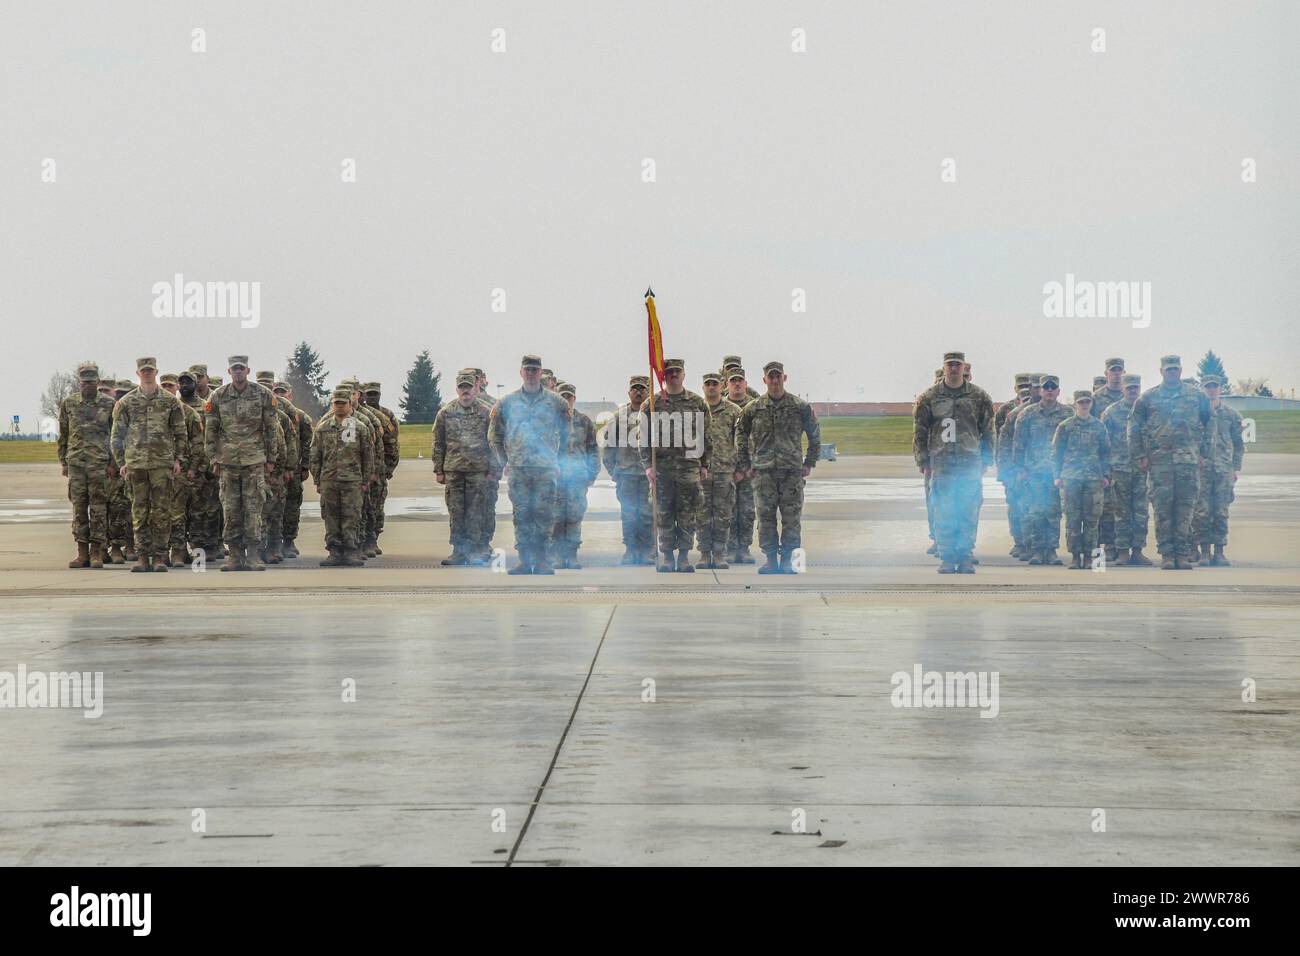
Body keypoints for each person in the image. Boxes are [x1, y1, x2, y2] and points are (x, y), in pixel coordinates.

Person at [912, 352, 994, 574]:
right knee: (944, 510)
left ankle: (965, 556)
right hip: (942, 464)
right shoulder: (929, 397)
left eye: (958, 365)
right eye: (950, 365)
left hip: (969, 464)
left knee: (968, 511)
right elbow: (920, 432)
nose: (954, 369)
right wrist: (922, 460)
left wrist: (987, 459)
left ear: (963, 367)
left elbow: (988, 430)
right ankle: (948, 558)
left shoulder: (979, 396)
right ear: (944, 368)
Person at [736, 360, 821, 574]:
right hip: (763, 472)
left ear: (784, 378)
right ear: (764, 380)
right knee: (765, 518)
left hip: (791, 472)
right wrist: (746, 464)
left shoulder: (799, 406)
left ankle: (790, 562)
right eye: (770, 377)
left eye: (778, 376)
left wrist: (809, 462)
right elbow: (741, 435)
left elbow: (815, 435)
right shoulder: (753, 408)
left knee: (792, 519)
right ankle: (771, 560)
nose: (774, 380)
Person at [489, 354, 570, 574]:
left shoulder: (557, 402)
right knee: (522, 515)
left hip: (545, 469)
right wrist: (503, 461)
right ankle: (525, 560)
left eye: (535, 370)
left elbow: (566, 434)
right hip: (518, 469)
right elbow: (494, 434)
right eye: (528, 370)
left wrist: (558, 461)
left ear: (541, 373)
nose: (531, 374)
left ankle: (543, 561)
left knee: (544, 515)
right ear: (521, 373)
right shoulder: (507, 402)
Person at [1130, 355, 1211, 570]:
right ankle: (1167, 554)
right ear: (1161, 371)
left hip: (1188, 463)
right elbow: (1134, 427)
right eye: (1168, 369)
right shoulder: (1148, 398)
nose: (1172, 372)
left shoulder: (1196, 396)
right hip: (1160, 464)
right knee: (1163, 510)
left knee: (1185, 510)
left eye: (1175, 369)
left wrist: (1204, 453)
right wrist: (1140, 456)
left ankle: (1182, 555)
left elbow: (1209, 424)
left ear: (1181, 370)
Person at [203, 355, 284, 571]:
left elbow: (271, 429)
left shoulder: (262, 395)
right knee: (231, 510)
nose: (238, 372)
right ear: (229, 372)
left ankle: (254, 555)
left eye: (241, 369)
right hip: (228, 462)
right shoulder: (218, 396)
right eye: (234, 369)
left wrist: (271, 459)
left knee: (254, 508)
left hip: (254, 461)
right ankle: (234, 556)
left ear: (248, 371)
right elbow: (211, 430)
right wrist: (213, 458)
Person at [110, 357, 188, 572]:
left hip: (162, 464)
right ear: (138, 373)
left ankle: (160, 557)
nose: (147, 374)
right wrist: (121, 462)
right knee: (139, 511)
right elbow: (116, 436)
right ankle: (143, 556)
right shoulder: (127, 402)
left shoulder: (170, 402)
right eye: (143, 371)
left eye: (150, 370)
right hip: (136, 464)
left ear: (156, 372)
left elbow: (181, 433)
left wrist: (179, 459)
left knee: (162, 512)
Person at [640, 359, 711, 572]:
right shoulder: (651, 404)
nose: (673, 375)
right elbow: (642, 439)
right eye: (669, 372)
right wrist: (647, 466)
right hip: (661, 469)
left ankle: (684, 557)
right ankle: (668, 557)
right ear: (663, 376)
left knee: (687, 515)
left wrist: (705, 464)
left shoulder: (697, 403)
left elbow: (706, 436)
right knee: (664, 514)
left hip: (689, 468)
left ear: (683, 375)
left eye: (676, 372)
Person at [432, 369, 496, 566]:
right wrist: (439, 470)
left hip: (478, 471)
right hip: (454, 471)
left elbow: (494, 442)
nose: (465, 391)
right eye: (462, 387)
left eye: (469, 387)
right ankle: (459, 552)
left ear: (475, 388)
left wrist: (494, 469)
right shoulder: (446, 412)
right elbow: (438, 442)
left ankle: (477, 550)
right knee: (456, 512)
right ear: (457, 389)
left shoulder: (486, 413)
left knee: (476, 512)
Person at [58, 361, 117, 568]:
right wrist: (63, 461)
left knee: (99, 509)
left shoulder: (109, 404)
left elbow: (116, 437)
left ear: (98, 381)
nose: (88, 386)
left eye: (91, 382)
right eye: (84, 382)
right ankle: (82, 552)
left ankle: (97, 553)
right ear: (79, 382)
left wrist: (113, 462)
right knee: (79, 509)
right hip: (76, 464)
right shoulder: (69, 404)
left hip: (99, 465)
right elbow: (64, 434)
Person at [310, 388, 375, 566]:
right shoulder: (323, 428)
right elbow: (315, 455)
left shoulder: (359, 427)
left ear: (349, 404)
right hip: (329, 480)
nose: (339, 407)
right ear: (332, 405)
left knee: (351, 516)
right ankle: (334, 552)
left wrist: (365, 480)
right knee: (331, 517)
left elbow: (368, 456)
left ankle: (351, 551)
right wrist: (317, 479)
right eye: (336, 404)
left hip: (352, 481)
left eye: (343, 403)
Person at [1013, 374, 1071, 565]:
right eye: (1045, 387)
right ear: (1039, 391)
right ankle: (1037, 551)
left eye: (1053, 387)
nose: (1049, 391)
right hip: (1034, 472)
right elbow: (1019, 444)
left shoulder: (1067, 414)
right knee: (1036, 512)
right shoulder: (1027, 414)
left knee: (1053, 512)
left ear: (1058, 392)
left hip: (1057, 474)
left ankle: (1051, 550)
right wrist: (1020, 469)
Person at [1052, 391, 1111, 569]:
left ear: (1091, 404)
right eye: (1081, 402)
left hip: (1094, 479)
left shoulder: (1099, 426)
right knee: (1073, 520)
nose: (1084, 405)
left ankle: (1092, 559)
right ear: (1075, 404)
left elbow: (1106, 452)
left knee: (1093, 520)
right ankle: (1076, 556)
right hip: (1071, 478)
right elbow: (1056, 453)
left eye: (1087, 402)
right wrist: (1057, 475)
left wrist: (1106, 474)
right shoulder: (1065, 426)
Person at [1099, 373, 1153, 565]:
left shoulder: (1148, 410)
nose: (1132, 391)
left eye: (1135, 388)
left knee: (1140, 512)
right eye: (1129, 388)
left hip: (1141, 470)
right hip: (1119, 470)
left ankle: (1137, 551)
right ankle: (1122, 551)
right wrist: (1106, 470)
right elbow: (1103, 445)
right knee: (1121, 512)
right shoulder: (1111, 412)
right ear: (1122, 389)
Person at [1193, 375, 1244, 565]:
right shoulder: (1197, 414)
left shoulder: (1231, 415)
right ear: (1202, 390)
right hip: (1202, 470)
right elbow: (1189, 439)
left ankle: (1219, 551)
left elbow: (1238, 445)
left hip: (1223, 470)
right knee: (1201, 512)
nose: (1211, 390)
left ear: (1220, 389)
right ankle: (1204, 551)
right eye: (1208, 387)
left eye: (1214, 387)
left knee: (1221, 511)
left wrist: (1234, 468)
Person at [603, 375, 653, 565]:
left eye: (642, 389)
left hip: (648, 475)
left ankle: (647, 550)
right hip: (626, 474)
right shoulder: (619, 417)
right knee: (629, 513)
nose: (638, 393)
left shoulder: (655, 415)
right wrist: (613, 472)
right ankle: (631, 550)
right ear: (629, 393)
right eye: (635, 389)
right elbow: (608, 446)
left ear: (648, 392)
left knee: (648, 514)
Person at [696, 371, 743, 569]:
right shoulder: (696, 410)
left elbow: (741, 441)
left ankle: (720, 554)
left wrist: (739, 468)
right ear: (703, 387)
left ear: (722, 386)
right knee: (702, 514)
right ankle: (705, 554)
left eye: (715, 384)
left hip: (725, 471)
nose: (712, 387)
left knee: (723, 515)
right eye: (708, 384)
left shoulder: (733, 411)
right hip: (701, 472)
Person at [160, 371, 206, 567]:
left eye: (171, 386)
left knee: (180, 513)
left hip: (183, 471)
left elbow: (198, 444)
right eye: (165, 386)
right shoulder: (156, 412)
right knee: (160, 512)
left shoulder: (189, 413)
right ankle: (161, 551)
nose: (168, 389)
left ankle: (178, 551)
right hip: (158, 469)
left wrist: (195, 468)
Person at [553, 382, 599, 568]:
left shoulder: (584, 421)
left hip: (577, 477)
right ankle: (557, 555)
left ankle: (571, 555)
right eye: (562, 396)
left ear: (574, 399)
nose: (566, 400)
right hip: (555, 477)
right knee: (556, 516)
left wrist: (592, 472)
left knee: (574, 515)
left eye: (569, 397)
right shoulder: (549, 421)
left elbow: (593, 449)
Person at [272, 381, 314, 558]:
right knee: (274, 507)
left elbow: (307, 443)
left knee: (291, 506)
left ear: (290, 395)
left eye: (283, 392)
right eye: (277, 392)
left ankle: (289, 541)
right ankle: (273, 542)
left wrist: (305, 466)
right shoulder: (269, 414)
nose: (280, 395)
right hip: (274, 470)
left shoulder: (300, 417)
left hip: (293, 469)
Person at [723, 367, 757, 563]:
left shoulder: (754, 407)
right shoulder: (721, 407)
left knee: (747, 511)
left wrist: (746, 468)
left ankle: (744, 548)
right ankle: (729, 547)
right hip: (726, 468)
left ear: (745, 384)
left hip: (748, 469)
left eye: (740, 381)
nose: (737, 384)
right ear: (727, 385)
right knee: (727, 510)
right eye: (733, 381)